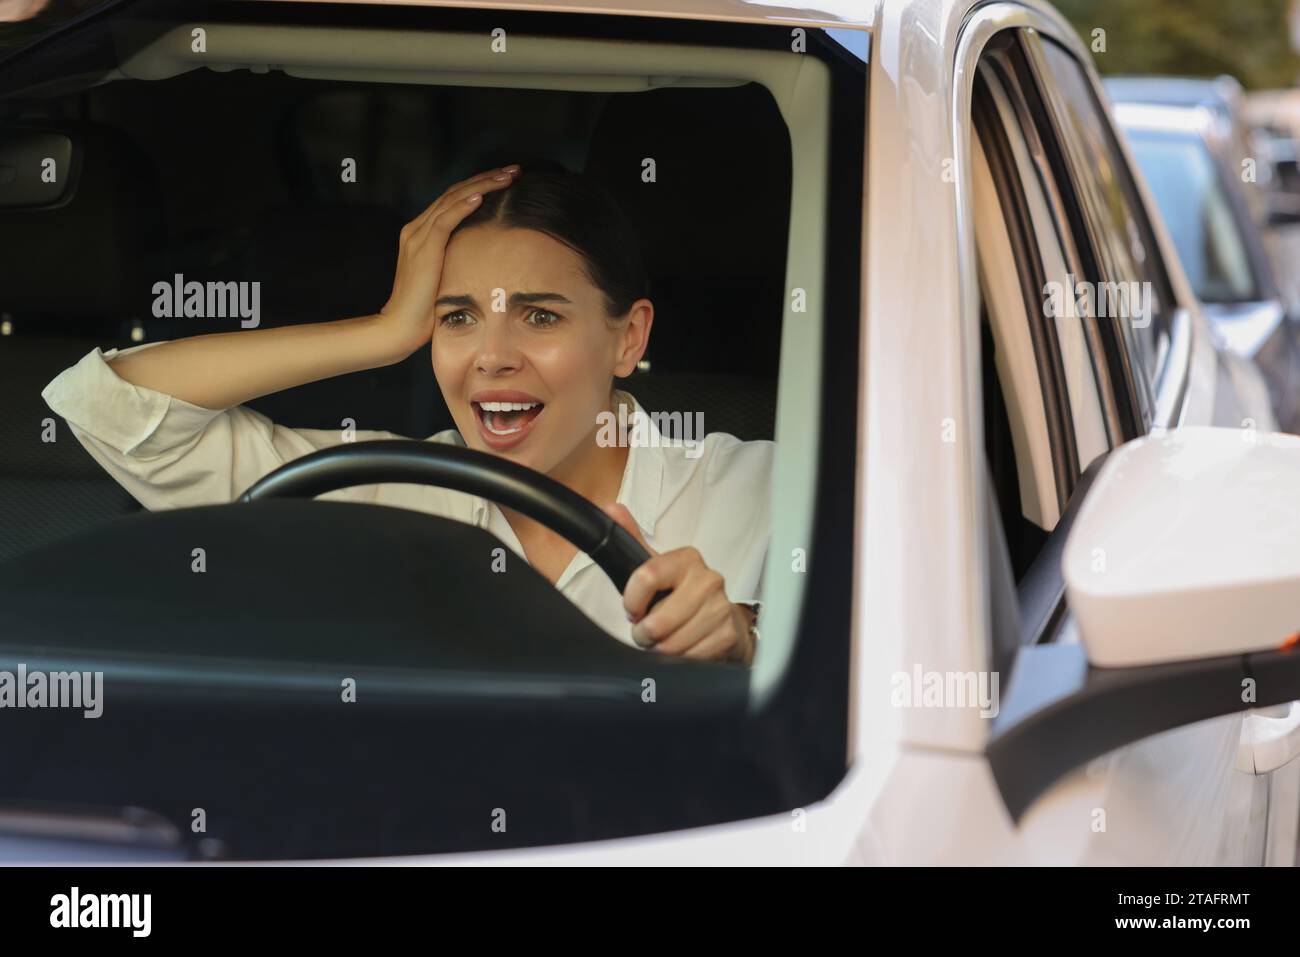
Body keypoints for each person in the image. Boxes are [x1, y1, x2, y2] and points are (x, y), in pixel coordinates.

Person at [42, 165, 772, 664]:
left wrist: (745, 640)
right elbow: (112, 406)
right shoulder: (376, 493)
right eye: (457, 318)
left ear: (629, 337)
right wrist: (385, 331)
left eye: (540, 316)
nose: (492, 356)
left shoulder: (772, 488)